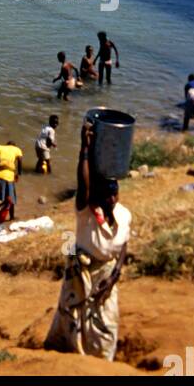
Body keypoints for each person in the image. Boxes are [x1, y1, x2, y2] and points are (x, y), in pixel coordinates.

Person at [45, 121, 131, 360]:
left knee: (106, 324)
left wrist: (114, 276)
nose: (112, 197)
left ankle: (102, 364)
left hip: (106, 276)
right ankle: (63, 360)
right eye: (107, 192)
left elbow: (123, 246)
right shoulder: (87, 212)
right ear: (98, 193)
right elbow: (83, 185)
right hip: (81, 275)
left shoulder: (124, 215)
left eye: (115, 192)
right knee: (72, 319)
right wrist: (85, 147)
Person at [0, 139, 23, 216]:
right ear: (14, 146)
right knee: (11, 198)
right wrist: (18, 174)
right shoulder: (17, 149)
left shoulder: (1, 147)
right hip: (9, 176)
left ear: (7, 145)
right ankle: (11, 217)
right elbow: (20, 160)